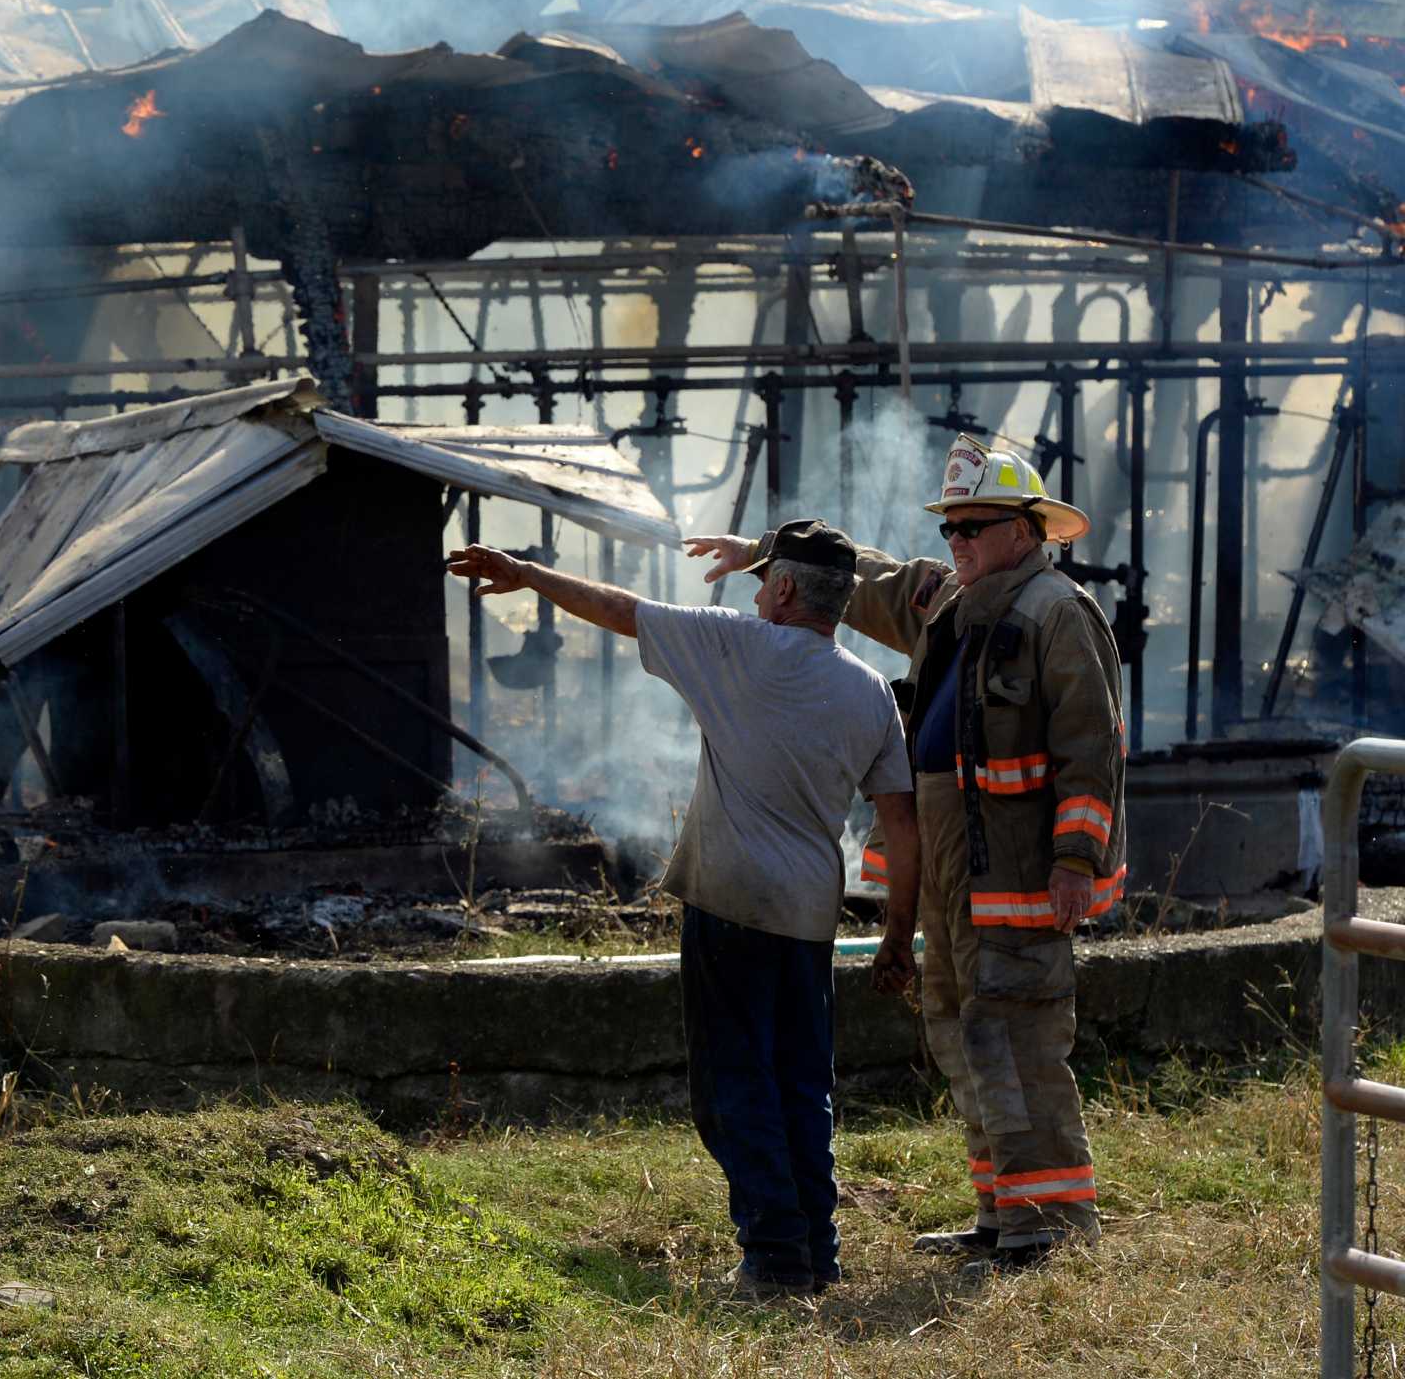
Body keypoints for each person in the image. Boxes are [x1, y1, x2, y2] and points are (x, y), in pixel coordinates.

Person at [689, 434, 1128, 1276]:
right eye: (952, 526)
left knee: (1018, 1035)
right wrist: (764, 555)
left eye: (974, 525)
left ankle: (1053, 1221)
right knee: (962, 1031)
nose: (957, 540)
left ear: (1027, 530)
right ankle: (1001, 1214)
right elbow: (876, 581)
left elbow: (1089, 748)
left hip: (1021, 879)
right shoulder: (951, 605)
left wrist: (1076, 859)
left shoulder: (1054, 614)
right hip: (954, 881)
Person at [447, 520, 915, 1298]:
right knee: (803, 1082)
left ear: (789, 589)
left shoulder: (734, 644)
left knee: (736, 1085)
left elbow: (623, 608)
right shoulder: (868, 689)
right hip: (808, 917)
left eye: (766, 577)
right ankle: (815, 1252)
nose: (757, 589)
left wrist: (530, 574)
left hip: (730, 905)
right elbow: (901, 821)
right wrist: (898, 934)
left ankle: (772, 1258)